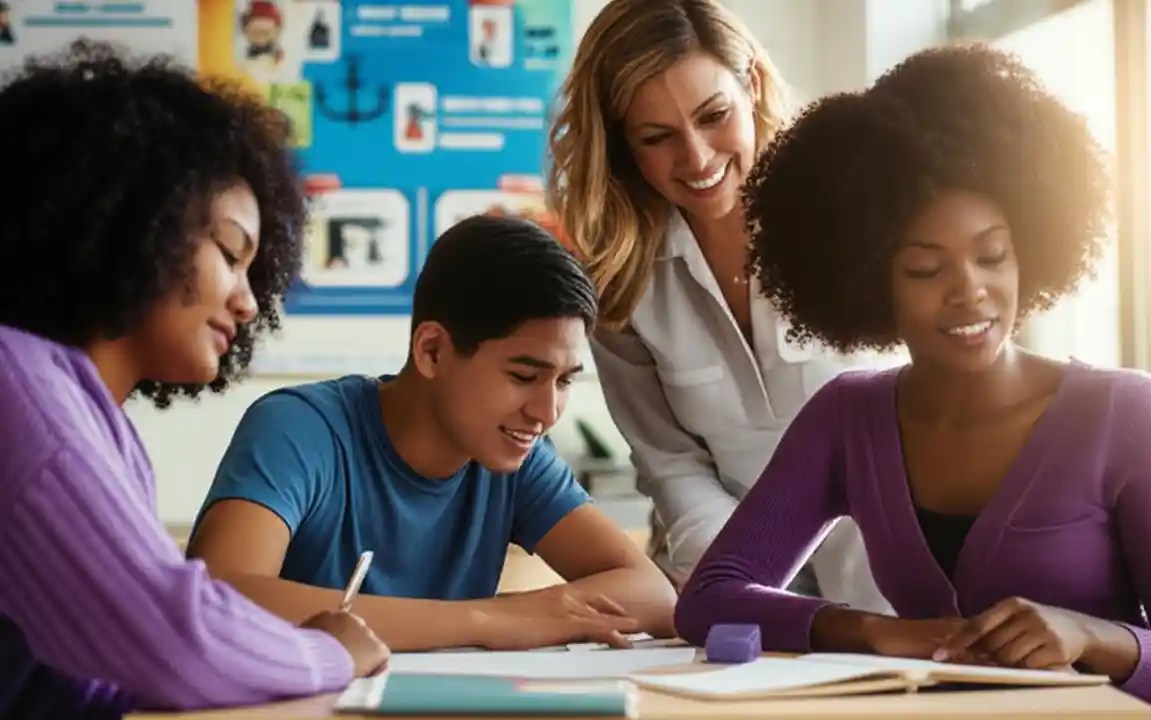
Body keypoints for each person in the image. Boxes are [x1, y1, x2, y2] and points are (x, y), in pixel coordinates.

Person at [672, 44, 1151, 717]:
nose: (970, 292)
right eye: (924, 269)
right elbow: (710, 597)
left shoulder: (1124, 414)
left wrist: (1089, 636)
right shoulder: (848, 417)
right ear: (868, 281)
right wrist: (874, 631)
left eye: (993, 255)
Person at [0, 43, 388, 720]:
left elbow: (99, 672)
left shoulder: (93, 423)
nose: (246, 301)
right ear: (132, 224)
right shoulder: (18, 385)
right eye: (231, 255)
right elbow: (174, 641)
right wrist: (330, 650)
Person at [186, 215, 677, 652]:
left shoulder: (516, 456)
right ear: (433, 351)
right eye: (524, 377)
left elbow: (651, 593)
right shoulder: (299, 428)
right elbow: (219, 597)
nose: (547, 412)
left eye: (565, 380)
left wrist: (509, 617)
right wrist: (488, 619)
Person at [547, 0, 888, 612]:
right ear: (624, 146)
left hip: (888, 576)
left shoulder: (853, 214)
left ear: (751, 85)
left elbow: (918, 430)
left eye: (714, 116)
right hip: (724, 570)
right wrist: (740, 588)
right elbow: (670, 463)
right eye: (658, 137)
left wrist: (882, 619)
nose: (698, 159)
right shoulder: (620, 273)